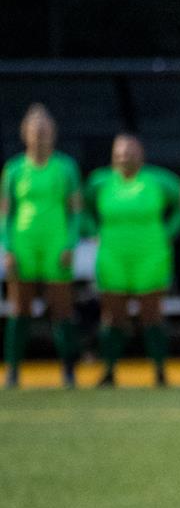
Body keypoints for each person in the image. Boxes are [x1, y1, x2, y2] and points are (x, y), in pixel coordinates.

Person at [84, 133, 180, 387]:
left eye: (131, 152)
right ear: (113, 156)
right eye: (120, 153)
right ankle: (109, 371)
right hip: (113, 255)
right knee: (113, 315)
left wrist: (167, 233)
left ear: (142, 154)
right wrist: (93, 232)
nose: (125, 157)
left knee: (152, 314)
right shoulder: (100, 182)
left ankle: (159, 371)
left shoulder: (160, 180)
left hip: (150, 255)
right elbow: (81, 210)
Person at [1, 105, 83, 388]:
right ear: (25, 134)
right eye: (35, 131)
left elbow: (75, 211)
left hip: (56, 243)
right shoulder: (13, 169)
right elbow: (6, 213)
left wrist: (70, 243)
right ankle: (13, 372)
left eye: (45, 131)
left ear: (53, 134)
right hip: (23, 244)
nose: (40, 136)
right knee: (19, 310)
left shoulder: (66, 167)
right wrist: (7, 247)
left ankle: (68, 372)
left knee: (61, 310)